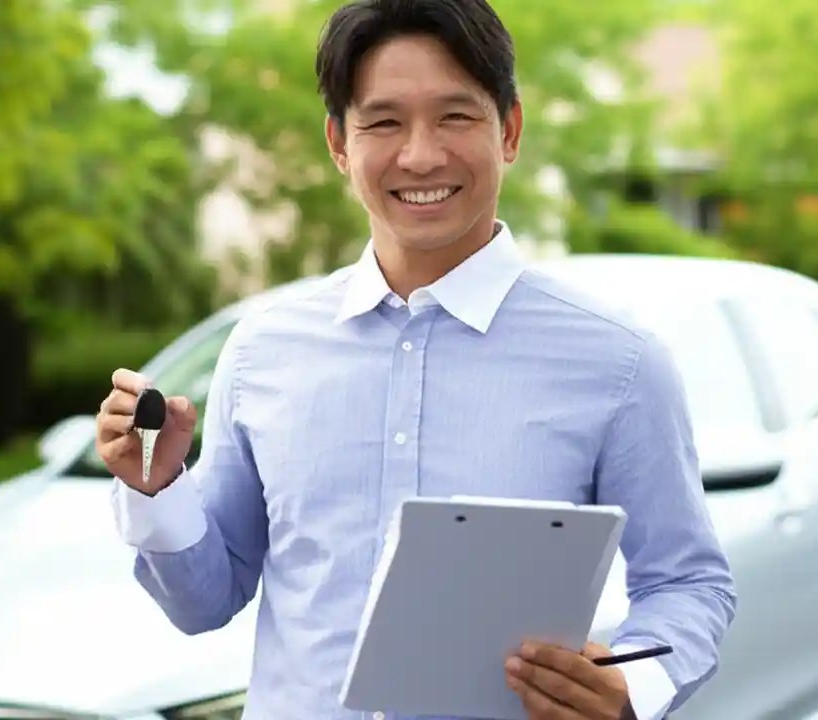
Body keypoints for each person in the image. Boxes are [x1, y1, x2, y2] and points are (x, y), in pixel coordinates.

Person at [96, 0, 736, 718]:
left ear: (510, 130)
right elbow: (204, 603)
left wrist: (629, 691)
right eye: (385, 122)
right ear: (339, 142)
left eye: (455, 117)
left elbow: (689, 584)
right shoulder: (261, 352)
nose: (421, 155)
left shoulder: (619, 362)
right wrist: (156, 493)